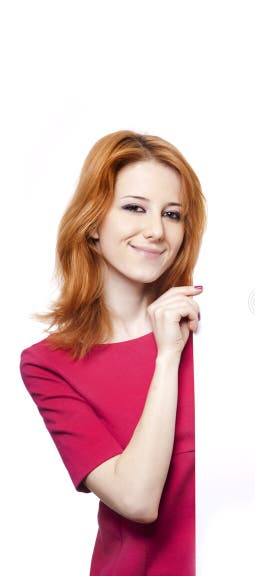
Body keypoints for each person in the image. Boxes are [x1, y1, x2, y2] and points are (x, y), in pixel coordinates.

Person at [20, 130, 206, 575]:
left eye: (173, 214)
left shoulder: (212, 327)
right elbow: (137, 499)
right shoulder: (49, 364)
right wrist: (166, 358)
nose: (157, 231)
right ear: (92, 224)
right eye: (134, 208)